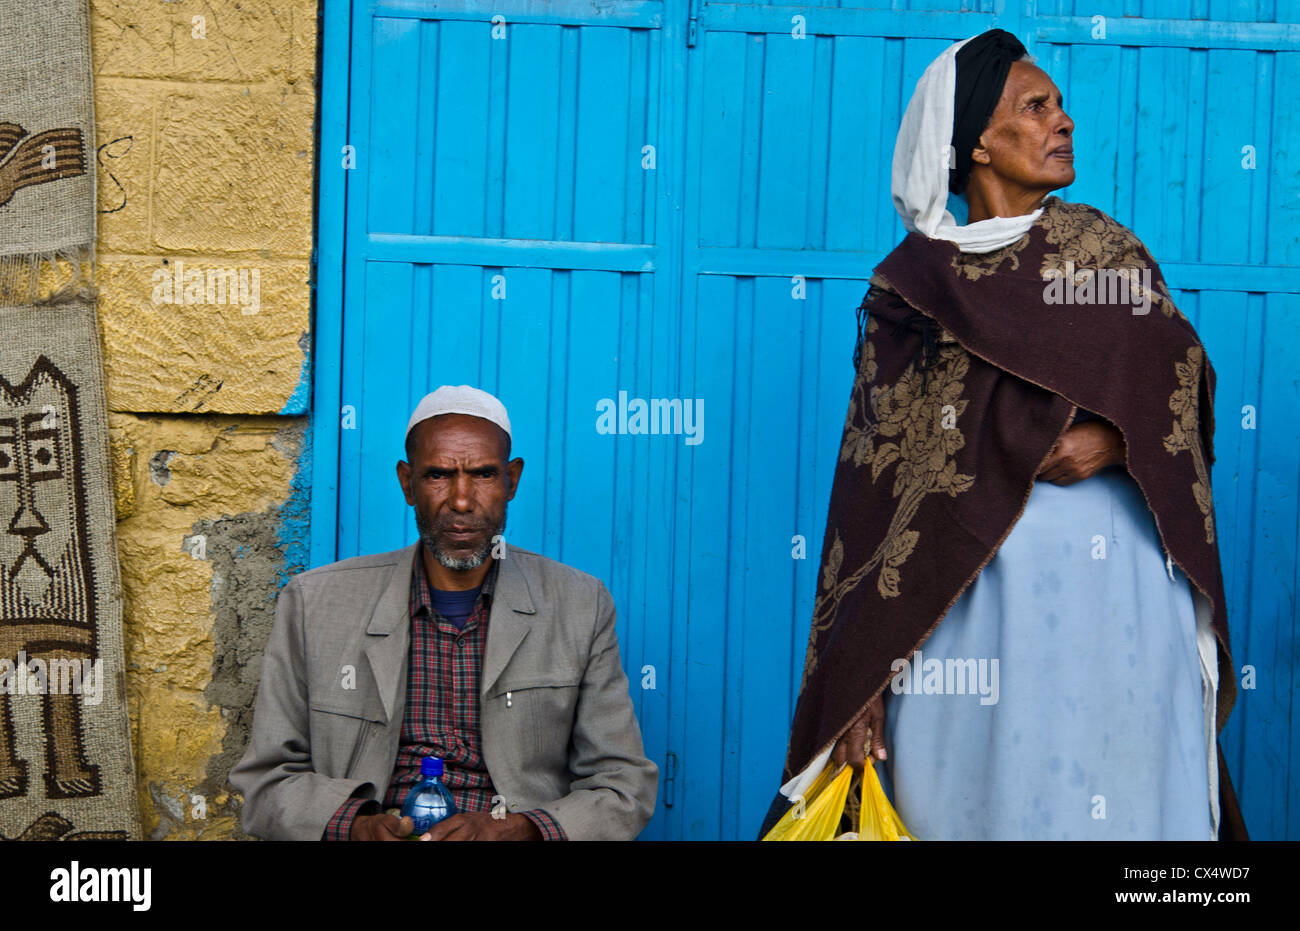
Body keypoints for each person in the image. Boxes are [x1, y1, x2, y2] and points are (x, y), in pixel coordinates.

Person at [761, 29, 1247, 840]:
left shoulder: (1104, 254)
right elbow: (875, 503)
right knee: (979, 798)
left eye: (1060, 105)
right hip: (968, 618)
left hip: (1115, 605)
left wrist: (1117, 445)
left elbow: (1183, 392)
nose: (1063, 122)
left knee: (1118, 801)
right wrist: (860, 683)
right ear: (978, 143)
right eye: (1036, 107)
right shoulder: (913, 289)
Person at [231, 385, 658, 840]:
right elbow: (265, 783)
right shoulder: (316, 603)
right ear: (407, 483)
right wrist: (352, 826)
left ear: (512, 481)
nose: (460, 500)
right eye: (437, 475)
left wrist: (524, 830)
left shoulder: (578, 604)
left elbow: (622, 784)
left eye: (484, 475)